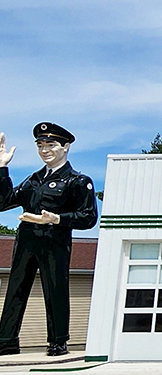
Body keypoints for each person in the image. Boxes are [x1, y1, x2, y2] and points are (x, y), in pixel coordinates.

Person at [0, 122, 97, 356]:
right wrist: (2, 169)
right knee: (16, 289)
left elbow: (88, 217)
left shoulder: (77, 181)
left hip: (54, 241)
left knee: (55, 289)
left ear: (65, 147)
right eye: (40, 145)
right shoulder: (33, 180)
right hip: (26, 240)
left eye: (50, 144)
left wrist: (56, 219)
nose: (45, 150)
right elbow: (4, 202)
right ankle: (6, 340)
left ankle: (58, 341)